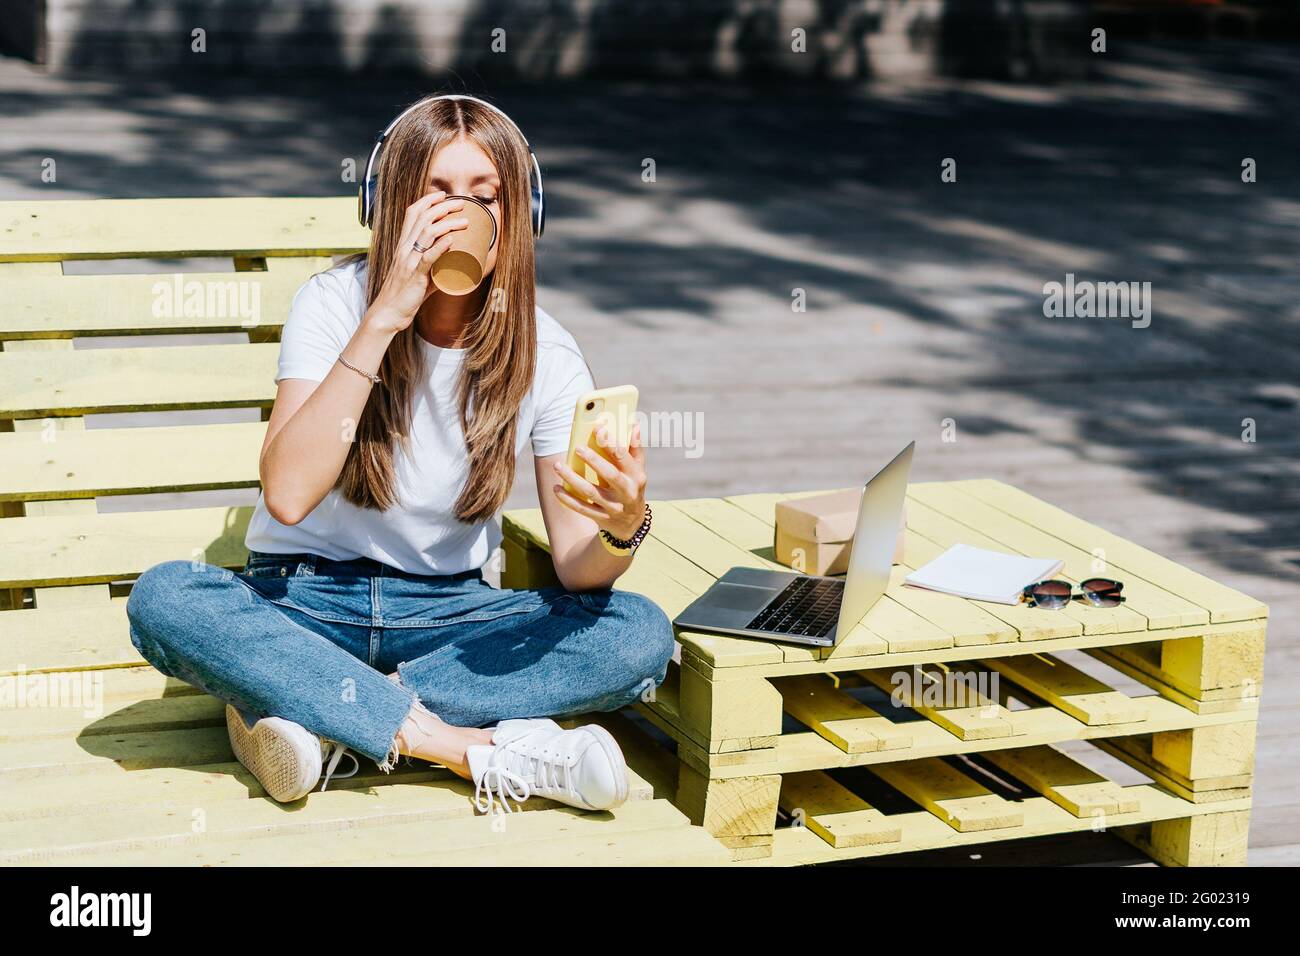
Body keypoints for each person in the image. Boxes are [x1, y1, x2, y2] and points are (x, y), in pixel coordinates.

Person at [126, 94, 675, 815]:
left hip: (450, 615)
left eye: (486, 197)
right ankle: (464, 748)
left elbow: (578, 565)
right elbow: (287, 494)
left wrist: (623, 525)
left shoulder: (546, 350)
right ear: (389, 206)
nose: (462, 214)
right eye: (438, 193)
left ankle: (318, 713)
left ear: (520, 219)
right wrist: (387, 315)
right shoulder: (334, 304)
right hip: (305, 598)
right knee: (165, 597)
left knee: (637, 633)